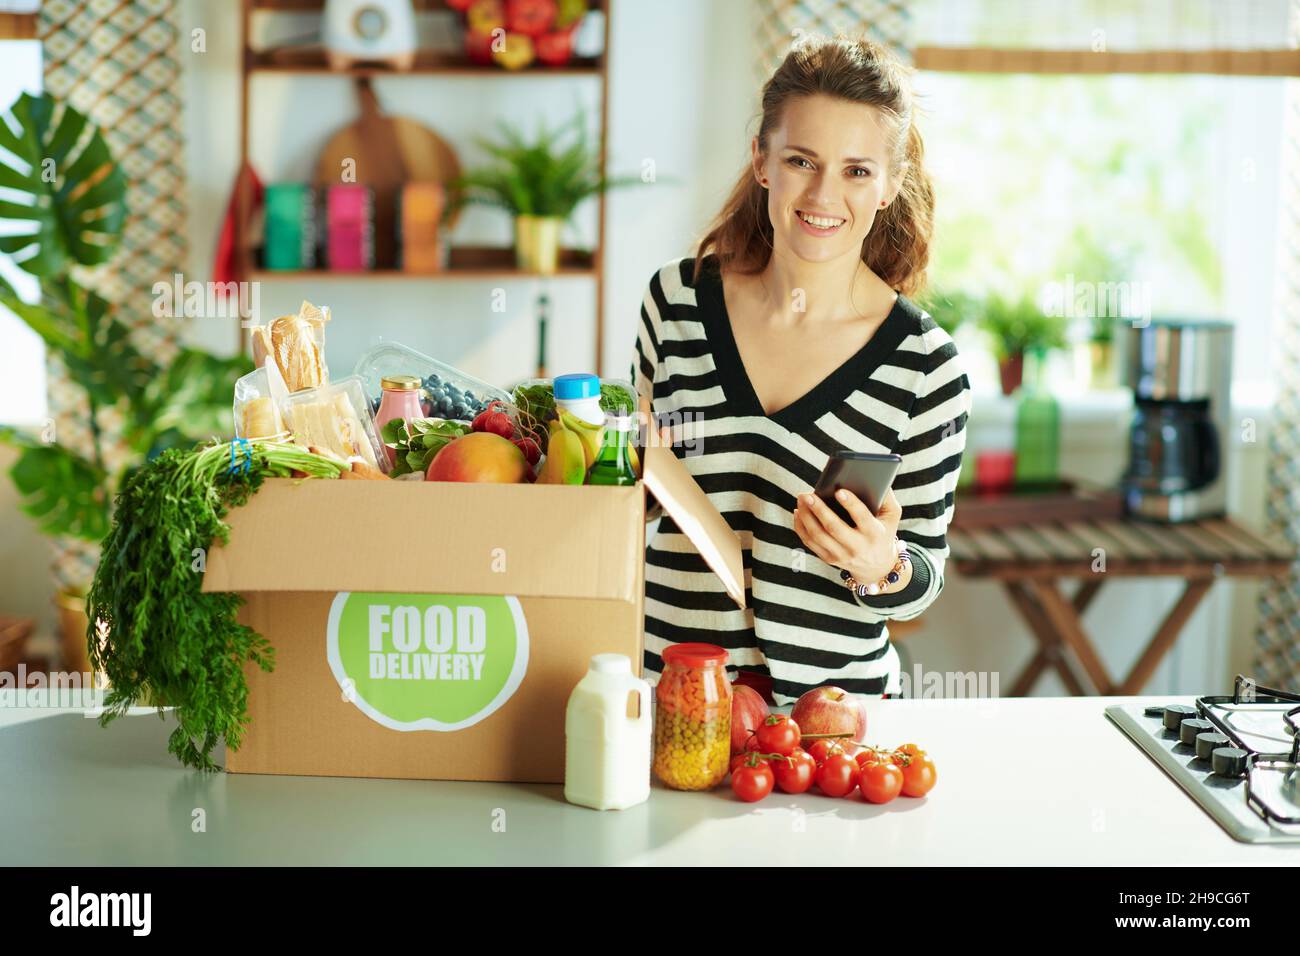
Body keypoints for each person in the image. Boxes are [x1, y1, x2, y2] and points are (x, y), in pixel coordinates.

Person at [631, 34, 972, 703]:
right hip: (672, 693)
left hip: (828, 728)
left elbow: (921, 578)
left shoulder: (927, 367)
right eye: (802, 161)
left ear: (890, 185)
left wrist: (882, 565)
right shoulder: (675, 303)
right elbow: (629, 490)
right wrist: (628, 483)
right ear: (762, 161)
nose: (823, 194)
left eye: (857, 170)